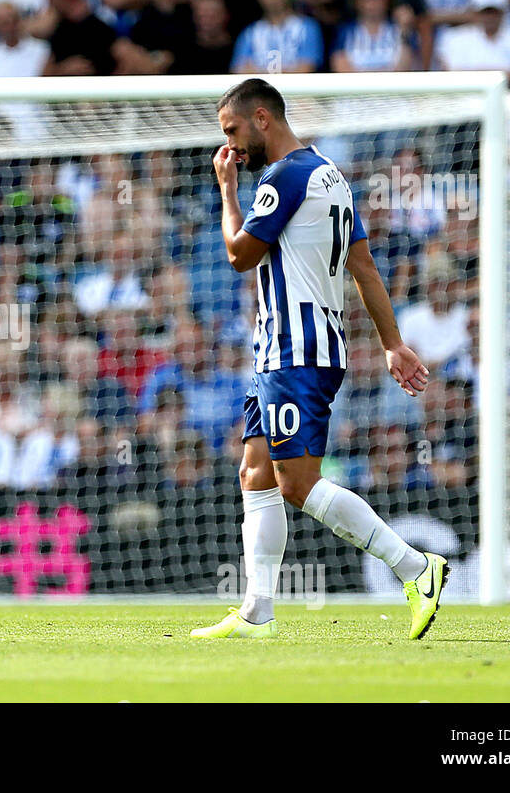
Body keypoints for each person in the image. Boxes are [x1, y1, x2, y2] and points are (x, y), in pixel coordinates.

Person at [192, 78, 445, 641]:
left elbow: (239, 256)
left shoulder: (280, 179)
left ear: (262, 118)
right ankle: (258, 612)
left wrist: (227, 190)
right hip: (285, 348)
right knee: (254, 472)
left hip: (296, 349)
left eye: (232, 132)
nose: (230, 147)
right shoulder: (330, 174)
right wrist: (391, 342)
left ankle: (414, 567)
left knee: (297, 484)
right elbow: (365, 267)